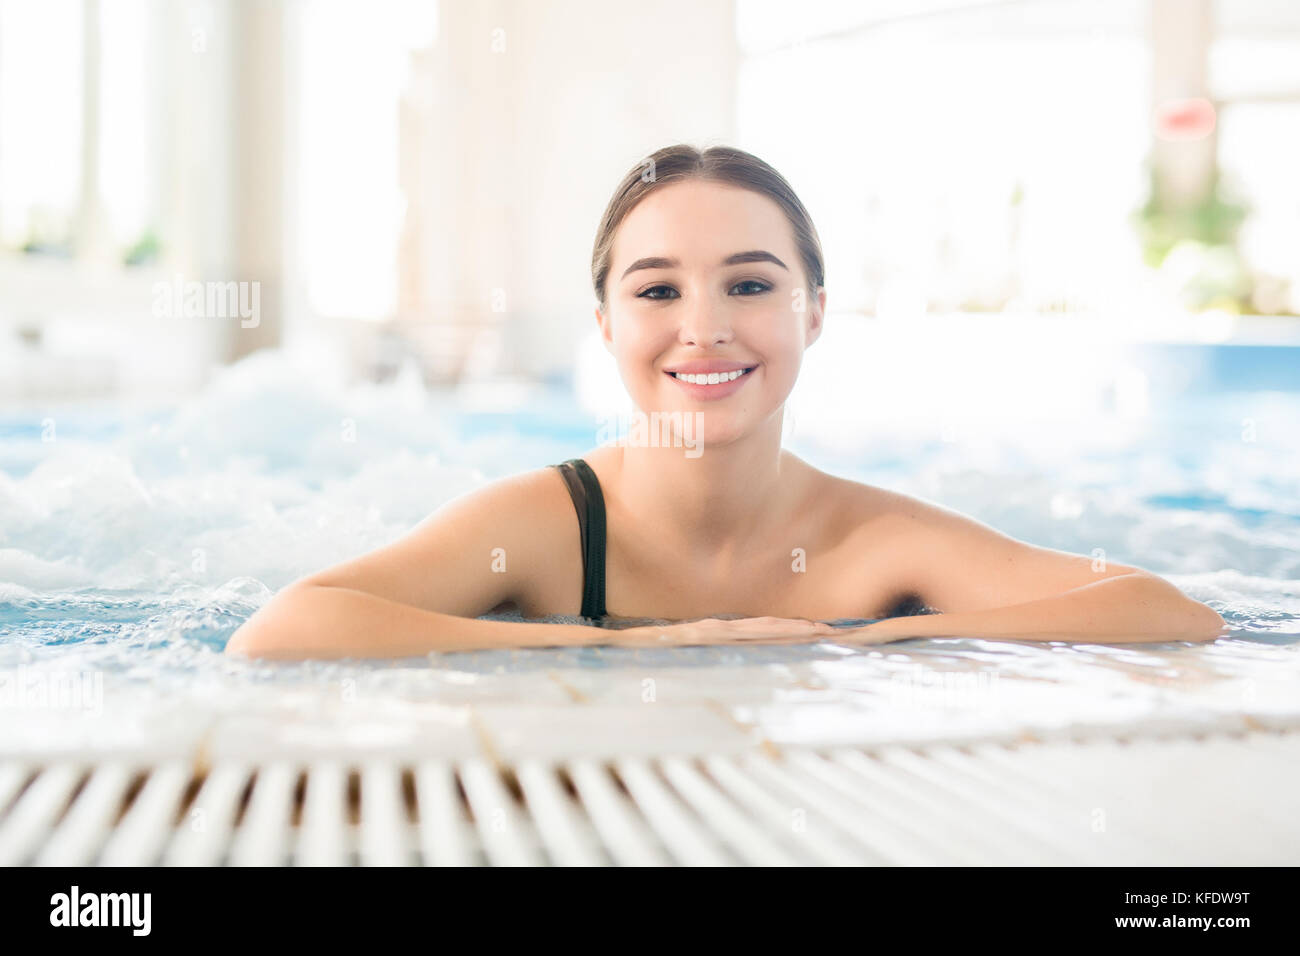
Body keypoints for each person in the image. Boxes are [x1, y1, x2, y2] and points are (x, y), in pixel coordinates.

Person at [226, 144, 1227, 660]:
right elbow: (283, 626)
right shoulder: (544, 527)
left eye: (749, 285)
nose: (703, 328)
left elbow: (1161, 609)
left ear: (815, 312)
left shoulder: (876, 540)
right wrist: (608, 646)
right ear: (606, 324)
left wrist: (884, 639)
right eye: (657, 290)